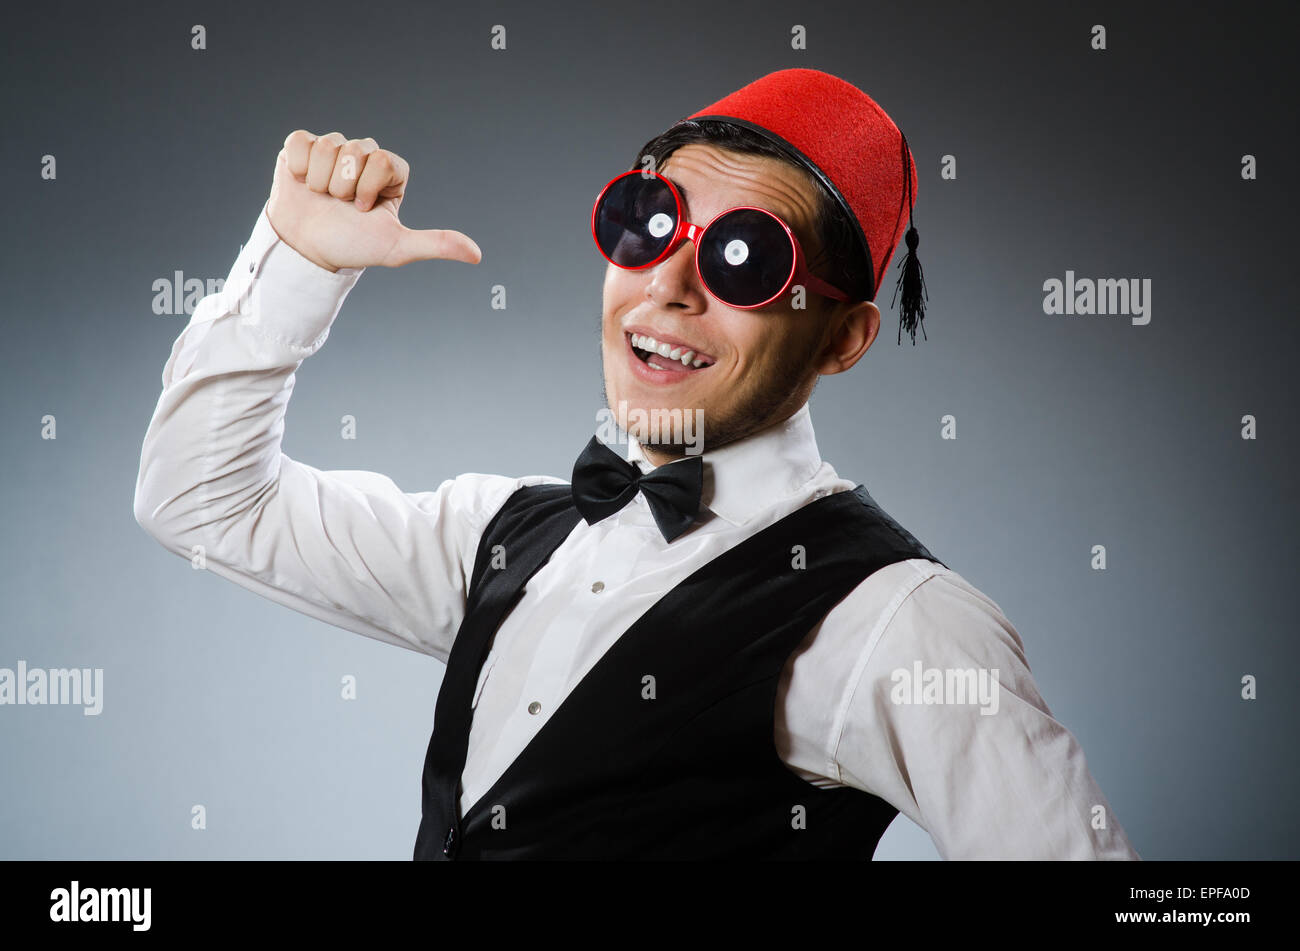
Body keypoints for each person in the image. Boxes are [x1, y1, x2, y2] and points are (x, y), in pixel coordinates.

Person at [133, 68, 1139, 860]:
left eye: (745, 259)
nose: (665, 285)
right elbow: (203, 502)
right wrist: (296, 266)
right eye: (647, 222)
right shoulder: (502, 537)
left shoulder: (894, 620)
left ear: (843, 338)